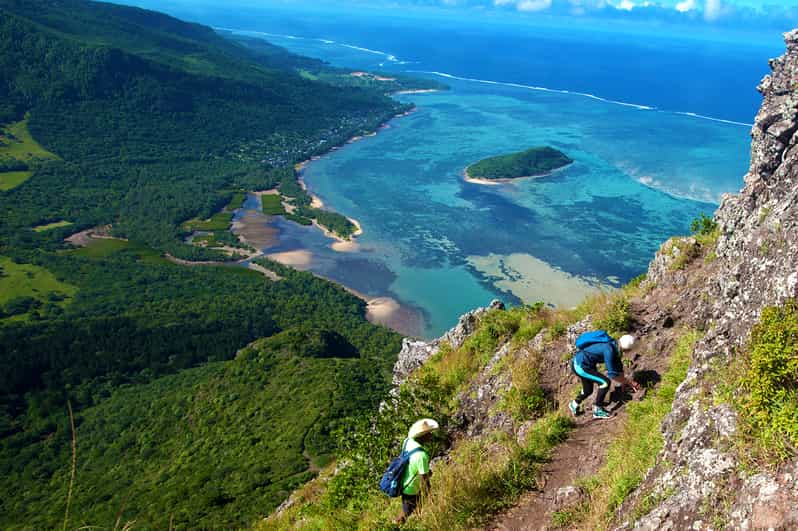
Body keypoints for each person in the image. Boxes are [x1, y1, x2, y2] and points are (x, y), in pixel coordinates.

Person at [569, 333, 641, 419]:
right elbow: (612, 375)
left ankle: (574, 404)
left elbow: (619, 368)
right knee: (605, 383)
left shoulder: (615, 346)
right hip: (580, 366)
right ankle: (598, 410)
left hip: (583, 363)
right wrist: (630, 382)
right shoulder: (609, 350)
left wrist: (624, 382)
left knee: (588, 390)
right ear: (627, 349)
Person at [396, 418, 439, 525]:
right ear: (422, 436)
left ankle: (415, 522)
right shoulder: (422, 455)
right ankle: (392, 526)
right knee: (405, 514)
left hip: (403, 481)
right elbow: (424, 479)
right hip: (411, 489)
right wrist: (429, 493)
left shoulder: (408, 441)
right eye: (428, 434)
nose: (431, 436)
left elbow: (411, 462)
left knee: (412, 509)